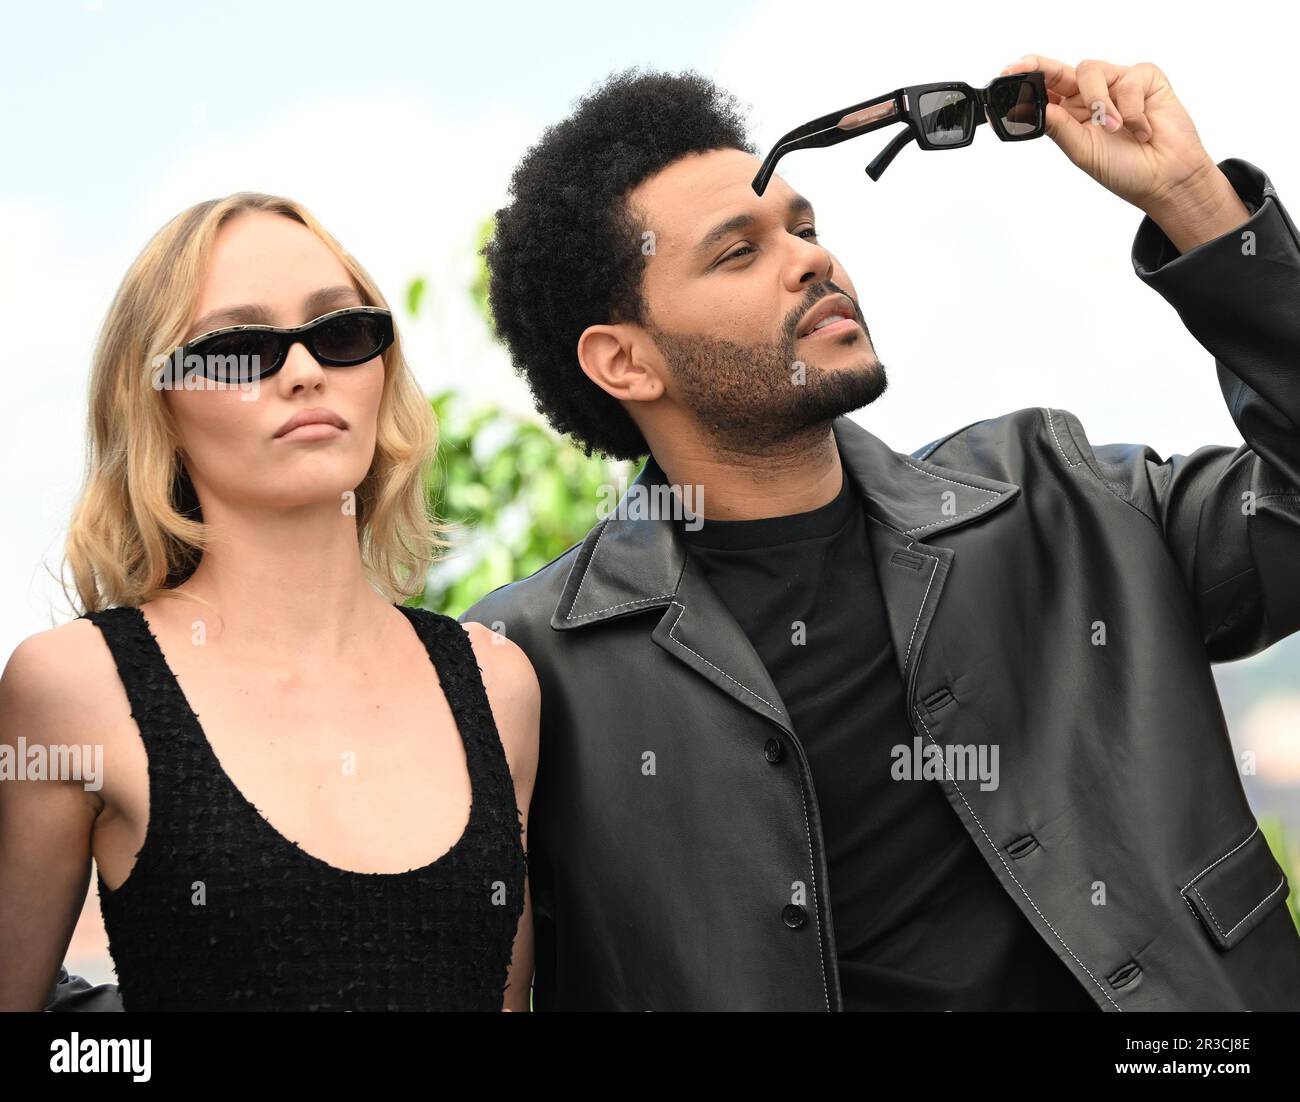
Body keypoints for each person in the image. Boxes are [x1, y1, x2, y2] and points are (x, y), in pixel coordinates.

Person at [458, 59, 1300, 1010]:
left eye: (806, 228)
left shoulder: (1059, 496)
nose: (811, 259)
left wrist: (1195, 203)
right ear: (625, 360)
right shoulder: (523, 667)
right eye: (739, 252)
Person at [0, 192, 539, 1011]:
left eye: (341, 333)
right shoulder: (75, 687)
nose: (303, 370)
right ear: (157, 403)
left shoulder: (499, 684)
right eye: (239, 347)